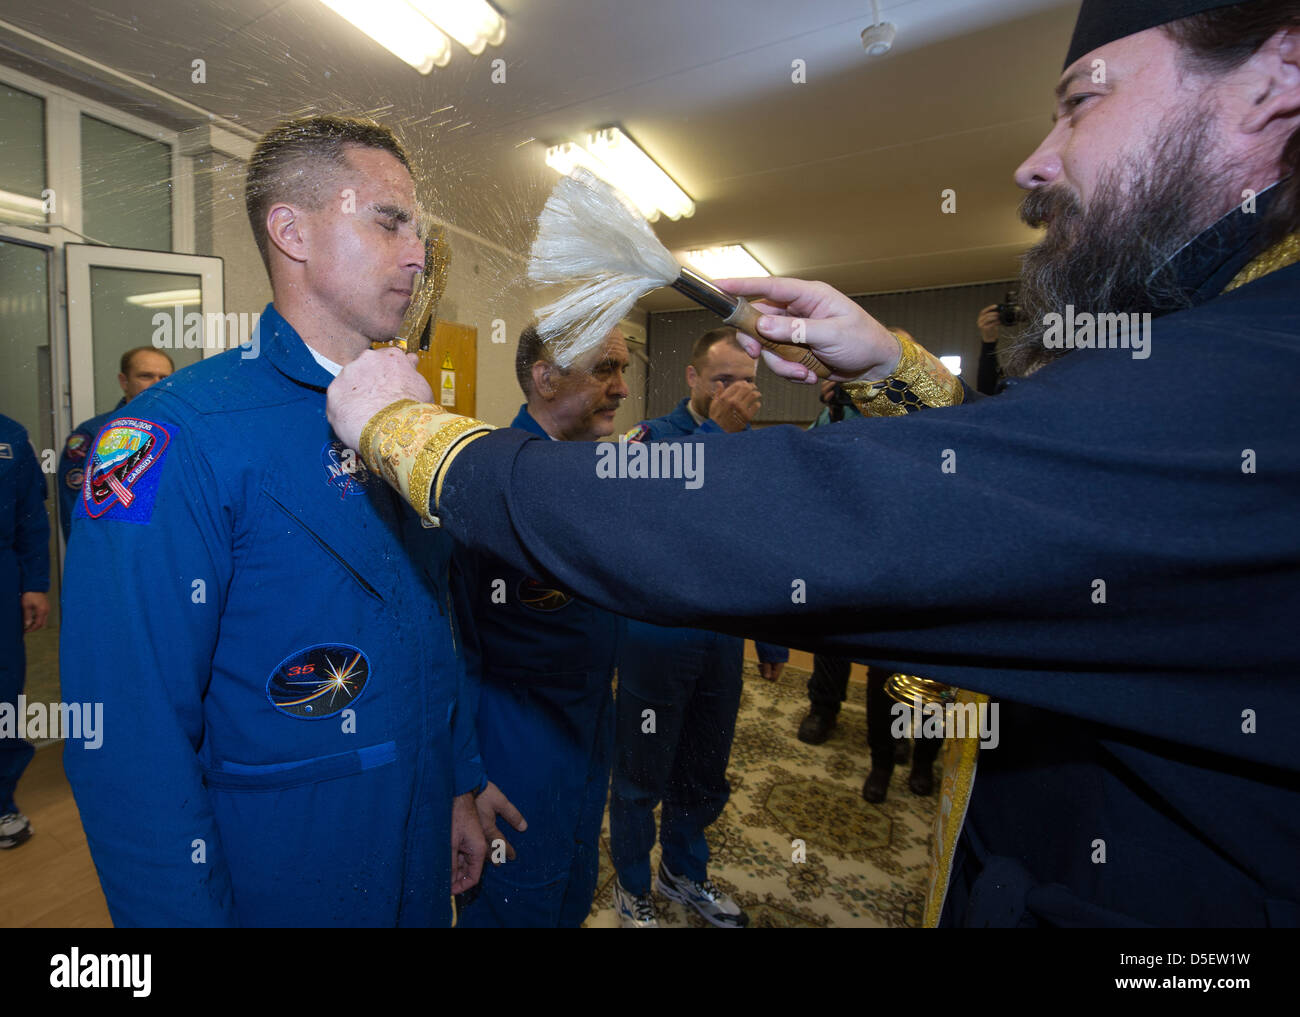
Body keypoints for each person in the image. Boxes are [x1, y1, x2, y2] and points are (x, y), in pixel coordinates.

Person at [327, 0, 1300, 927]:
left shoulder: (1259, 373)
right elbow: (1037, 506)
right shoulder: (1230, 345)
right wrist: (894, 371)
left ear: (1277, 74)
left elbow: (833, 515)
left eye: (1082, 98)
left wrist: (417, 436)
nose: (1035, 161)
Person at [60, 114, 496, 927]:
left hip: (412, 843)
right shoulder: (170, 440)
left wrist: (457, 781)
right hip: (279, 868)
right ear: (291, 231)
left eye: (420, 231)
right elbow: (129, 742)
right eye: (389, 220)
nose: (418, 254)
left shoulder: (410, 424)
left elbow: (434, 621)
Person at [453, 324, 629, 928]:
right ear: (545, 376)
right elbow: (451, 645)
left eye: (621, 369)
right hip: (513, 737)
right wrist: (466, 777)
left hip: (587, 723)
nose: (623, 387)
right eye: (605, 368)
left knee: (574, 879)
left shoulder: (596, 475)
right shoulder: (489, 479)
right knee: (515, 896)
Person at [610, 327, 787, 928]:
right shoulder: (649, 439)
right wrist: (717, 435)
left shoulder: (753, 447)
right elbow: (646, 520)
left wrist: (770, 635)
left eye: (747, 384)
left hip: (721, 640)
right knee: (640, 776)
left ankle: (683, 871)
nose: (737, 395)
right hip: (656, 639)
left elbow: (760, 544)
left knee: (705, 771)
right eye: (722, 382)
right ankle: (631, 885)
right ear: (691, 379)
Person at [57, 347, 174, 540]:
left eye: (164, 378)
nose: (156, 384)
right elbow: (75, 510)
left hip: (165, 551)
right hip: (112, 553)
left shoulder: (181, 434)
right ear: (124, 381)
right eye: (146, 376)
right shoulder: (94, 433)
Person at [0, 415, 50, 849]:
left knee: (3, 690)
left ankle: (1, 803)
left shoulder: (12, 437)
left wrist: (35, 582)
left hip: (3, 575)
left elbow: (32, 515)